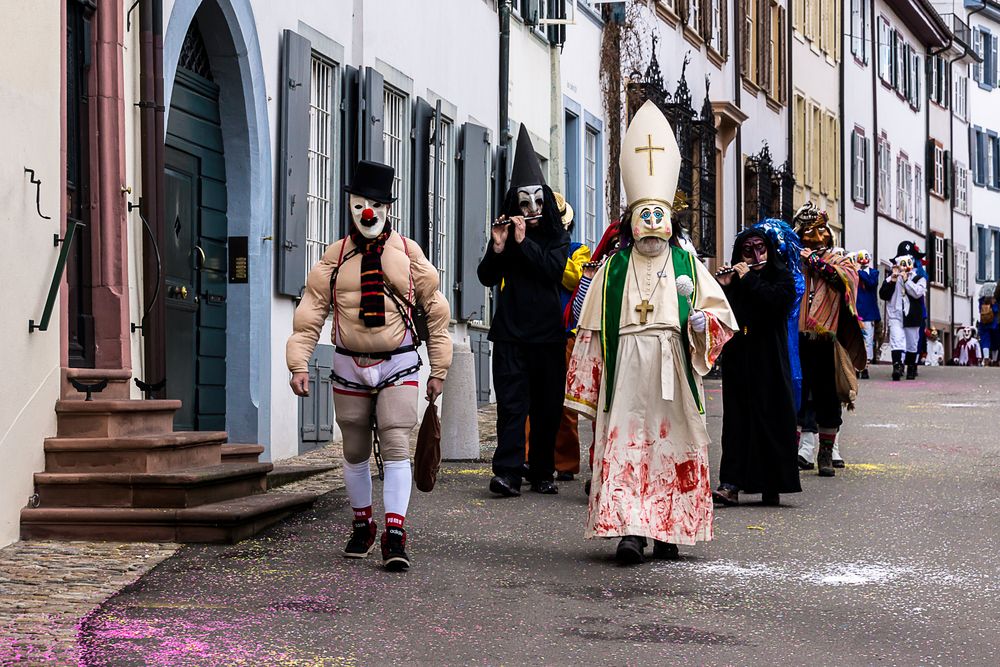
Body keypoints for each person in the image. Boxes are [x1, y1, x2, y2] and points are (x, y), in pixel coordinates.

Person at [564, 100, 737, 565]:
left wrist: (701, 324)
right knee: (626, 444)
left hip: (671, 367)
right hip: (625, 372)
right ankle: (630, 532)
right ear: (632, 221)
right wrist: (587, 387)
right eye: (645, 217)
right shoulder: (613, 268)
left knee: (669, 445)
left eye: (660, 216)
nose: (653, 226)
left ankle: (668, 530)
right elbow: (591, 331)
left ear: (669, 220)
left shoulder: (686, 264)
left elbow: (720, 316)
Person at [287, 160, 453, 572]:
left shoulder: (409, 254)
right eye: (361, 203)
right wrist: (298, 363)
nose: (368, 212)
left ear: (387, 208)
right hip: (349, 365)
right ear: (350, 206)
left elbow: (435, 312)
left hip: (398, 363)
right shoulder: (334, 257)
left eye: (376, 205)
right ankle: (363, 524)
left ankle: (395, 533)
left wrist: (438, 369)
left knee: (396, 443)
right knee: (355, 449)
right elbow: (311, 311)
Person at [479, 126, 570, 497]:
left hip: (547, 336)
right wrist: (499, 247)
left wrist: (524, 243)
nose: (531, 210)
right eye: (524, 203)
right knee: (512, 406)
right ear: (514, 205)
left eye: (537, 202)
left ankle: (543, 470)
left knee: (547, 408)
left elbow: (553, 270)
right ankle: (508, 472)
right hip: (511, 335)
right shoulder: (506, 237)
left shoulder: (557, 236)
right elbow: (487, 277)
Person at [713, 222, 801, 507]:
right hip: (740, 357)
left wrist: (749, 278)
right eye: (748, 251)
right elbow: (726, 315)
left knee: (771, 417)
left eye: (761, 249)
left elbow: (776, 303)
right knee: (737, 420)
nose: (756, 256)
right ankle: (731, 483)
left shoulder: (782, 276)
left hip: (769, 358)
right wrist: (725, 288)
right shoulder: (737, 279)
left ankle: (771, 483)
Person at [793, 202, 866, 478]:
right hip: (797, 337)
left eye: (820, 230)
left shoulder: (839, 260)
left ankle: (826, 452)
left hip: (826, 337)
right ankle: (796, 449)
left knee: (827, 395)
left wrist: (817, 263)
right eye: (809, 230)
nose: (816, 236)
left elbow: (846, 280)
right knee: (798, 395)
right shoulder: (793, 260)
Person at [879, 248, 927, 381]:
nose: (905, 268)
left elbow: (917, 293)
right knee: (896, 340)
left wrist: (907, 281)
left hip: (912, 315)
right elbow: (883, 295)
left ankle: (911, 367)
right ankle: (897, 366)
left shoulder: (919, 278)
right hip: (896, 314)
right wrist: (893, 280)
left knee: (912, 342)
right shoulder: (891, 279)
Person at [855, 249, 881, 377]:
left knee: (868, 339)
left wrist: (860, 272)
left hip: (868, 311)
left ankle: (865, 365)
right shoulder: (853, 272)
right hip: (856, 310)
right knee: (857, 339)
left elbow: (871, 283)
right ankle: (856, 365)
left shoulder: (874, 272)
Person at [977, 293, 999, 366]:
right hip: (994, 325)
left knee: (985, 342)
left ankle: (986, 358)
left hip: (983, 324)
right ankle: (995, 360)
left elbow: (980, 310)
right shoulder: (995, 300)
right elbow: (996, 310)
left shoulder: (981, 300)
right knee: (995, 343)